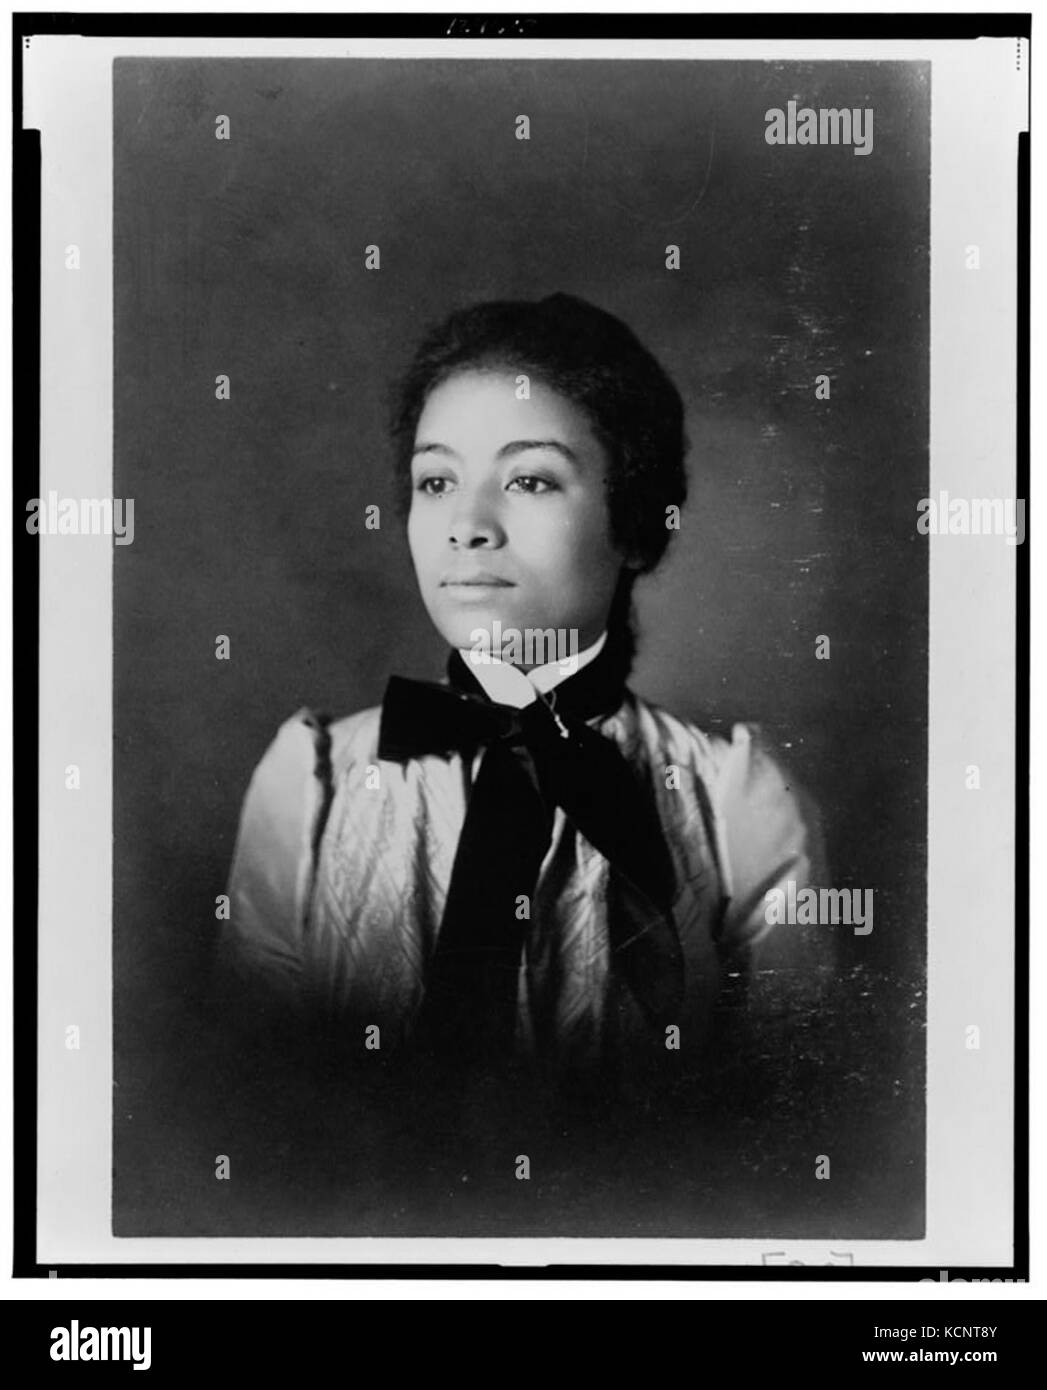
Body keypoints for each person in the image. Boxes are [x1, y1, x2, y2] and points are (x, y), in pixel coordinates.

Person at [220, 292, 823, 1098]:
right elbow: (255, 1101)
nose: (466, 524)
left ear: (636, 525)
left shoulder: (736, 799)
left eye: (531, 480)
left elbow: (786, 1110)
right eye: (436, 481)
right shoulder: (311, 780)